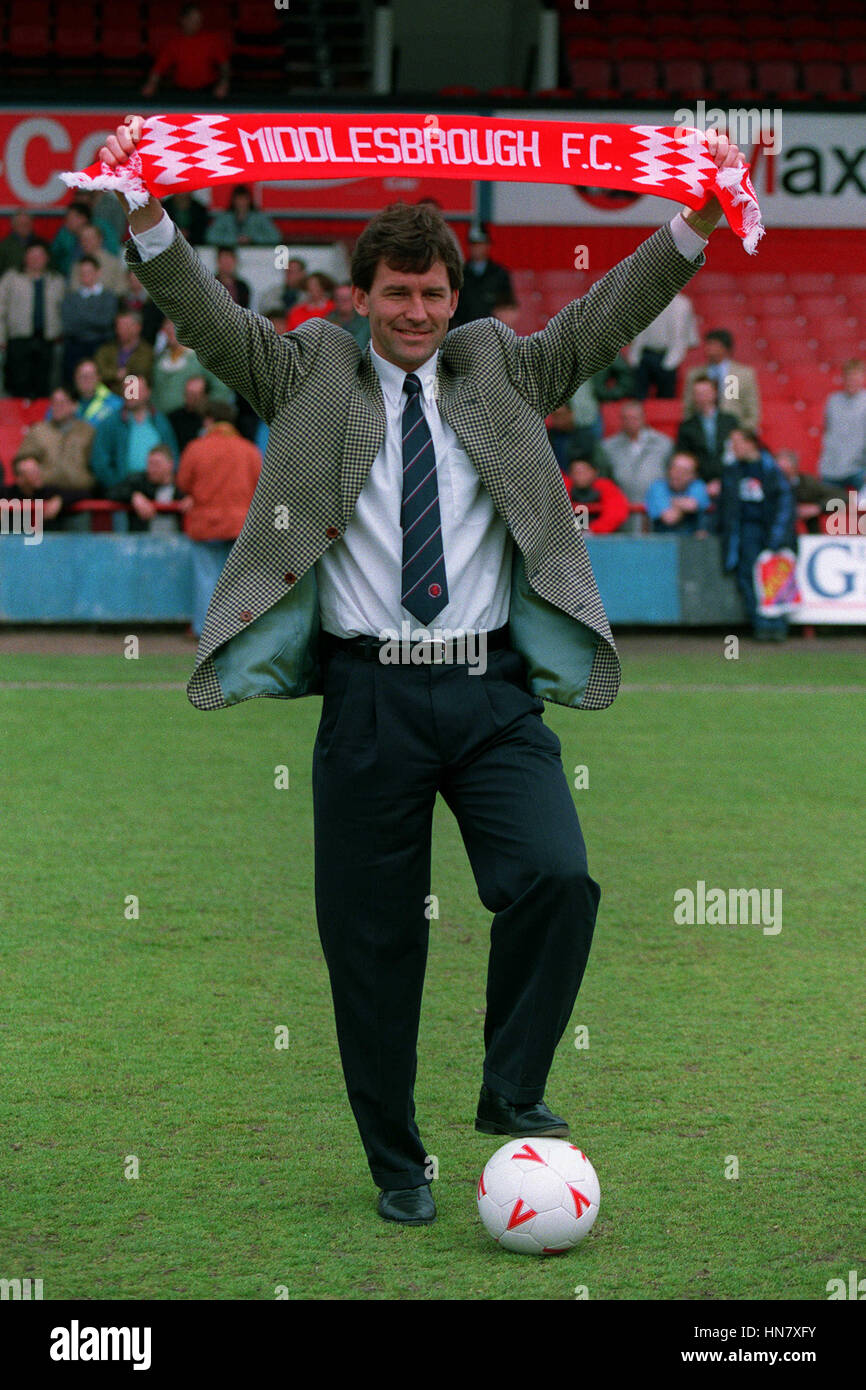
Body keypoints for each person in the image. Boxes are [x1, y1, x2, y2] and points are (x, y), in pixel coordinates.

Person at [101, 113, 742, 1225]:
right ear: (364, 296)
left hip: (489, 692)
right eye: (396, 293)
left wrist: (695, 221)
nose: (415, 312)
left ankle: (511, 1089)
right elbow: (200, 317)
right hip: (367, 700)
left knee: (556, 878)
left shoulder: (500, 362)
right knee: (373, 943)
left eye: (433, 295)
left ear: (455, 298)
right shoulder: (301, 368)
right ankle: (397, 1163)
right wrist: (148, 215)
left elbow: (605, 314)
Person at [175, 400, 262, 637]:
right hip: (240, 525)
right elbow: (259, 486)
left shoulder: (196, 447)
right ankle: (238, 629)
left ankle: (204, 631)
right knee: (239, 581)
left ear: (209, 420)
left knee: (206, 579)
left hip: (206, 525)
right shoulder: (249, 449)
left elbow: (183, 482)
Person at [719, 427, 796, 641]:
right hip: (745, 531)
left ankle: (777, 626)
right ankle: (761, 625)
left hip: (768, 529)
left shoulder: (771, 469)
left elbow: (784, 504)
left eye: (737, 442)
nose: (733, 448)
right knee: (748, 577)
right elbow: (725, 507)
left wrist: (777, 536)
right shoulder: (733, 470)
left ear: (751, 443)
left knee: (774, 577)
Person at [90, 375, 178, 491]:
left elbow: (173, 455)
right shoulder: (110, 423)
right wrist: (121, 489)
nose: (130, 393)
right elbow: (100, 462)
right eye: (127, 389)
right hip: (122, 495)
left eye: (135, 389)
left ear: (148, 392)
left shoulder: (160, 421)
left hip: (158, 490)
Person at [0, 241, 65, 398]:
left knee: (44, 385)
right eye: (32, 255)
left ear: (47, 258)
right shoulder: (11, 278)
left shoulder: (57, 280)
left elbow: (64, 310)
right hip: (18, 339)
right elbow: (1, 308)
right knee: (18, 384)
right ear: (25, 257)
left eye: (40, 255)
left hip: (47, 340)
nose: (36, 259)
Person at [599, 399, 672, 529]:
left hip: (657, 512)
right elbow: (604, 481)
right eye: (626, 418)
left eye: (634, 418)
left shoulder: (664, 443)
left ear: (644, 418)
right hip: (622, 512)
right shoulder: (608, 447)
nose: (630, 422)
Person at [141, 3, 230, 100]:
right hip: (180, 92)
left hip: (208, 91)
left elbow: (224, 66)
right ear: (182, 20)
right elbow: (158, 69)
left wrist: (223, 84)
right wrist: (151, 85)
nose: (196, 23)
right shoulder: (173, 43)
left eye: (198, 20)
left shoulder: (212, 40)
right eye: (192, 20)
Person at [682, 329, 761, 431]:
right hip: (703, 431)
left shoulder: (743, 374)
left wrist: (743, 433)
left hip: (735, 430)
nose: (708, 349)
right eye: (707, 345)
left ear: (725, 348)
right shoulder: (694, 374)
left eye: (714, 345)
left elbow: (752, 408)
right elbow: (688, 407)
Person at [151, 318, 233, 415]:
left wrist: (205, 407)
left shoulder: (200, 356)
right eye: (166, 326)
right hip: (162, 422)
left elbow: (221, 389)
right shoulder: (160, 359)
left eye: (174, 326)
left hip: (191, 418)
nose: (170, 330)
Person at [19, 386, 95, 490]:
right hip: (44, 488)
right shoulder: (38, 430)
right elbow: (22, 458)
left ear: (74, 406)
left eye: (62, 403)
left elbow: (97, 464)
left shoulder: (88, 432)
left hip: (79, 491)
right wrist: (26, 465)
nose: (57, 407)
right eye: (54, 403)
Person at [676, 373, 739, 497]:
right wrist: (703, 483)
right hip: (697, 484)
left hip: (729, 479)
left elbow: (737, 453)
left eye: (705, 392)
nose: (701, 397)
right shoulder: (686, 427)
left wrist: (722, 481)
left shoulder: (730, 422)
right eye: (697, 393)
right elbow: (684, 456)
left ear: (714, 393)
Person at [60, 255, 119, 386]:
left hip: (102, 346)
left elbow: (106, 322)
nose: (85, 275)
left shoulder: (109, 297)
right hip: (75, 348)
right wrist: (94, 319)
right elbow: (68, 326)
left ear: (98, 272)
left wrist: (81, 317)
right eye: (82, 273)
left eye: (89, 272)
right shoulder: (70, 298)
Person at [103, 443, 187, 535]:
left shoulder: (182, 485)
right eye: (150, 464)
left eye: (157, 464)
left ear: (170, 464)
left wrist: (192, 499)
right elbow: (112, 492)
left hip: (177, 542)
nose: (152, 469)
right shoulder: (139, 482)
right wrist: (133, 496)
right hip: (143, 543)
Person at [628, 291, 699, 399]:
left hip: (669, 356)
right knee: (637, 398)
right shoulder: (639, 301)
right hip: (643, 355)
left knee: (666, 399)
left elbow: (690, 339)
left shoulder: (683, 303)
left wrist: (675, 357)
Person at [1, 452, 92, 529]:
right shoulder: (7, 493)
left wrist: (60, 500)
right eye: (32, 473)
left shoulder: (48, 493)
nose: (37, 475)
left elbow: (84, 493)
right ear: (20, 478)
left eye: (37, 471)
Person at [450, 223, 514, 326]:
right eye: (474, 244)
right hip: (464, 331)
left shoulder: (500, 274)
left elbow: (507, 306)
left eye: (480, 244)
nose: (477, 248)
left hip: (492, 332)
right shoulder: (460, 273)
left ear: (488, 245)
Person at [817, 359, 866, 492]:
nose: (853, 382)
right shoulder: (833, 400)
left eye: (856, 378)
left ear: (863, 378)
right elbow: (828, 431)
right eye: (849, 377)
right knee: (830, 506)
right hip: (832, 467)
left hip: (860, 468)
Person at [775, 448, 848, 534]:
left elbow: (843, 496)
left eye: (785, 471)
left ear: (794, 469)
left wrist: (818, 507)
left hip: (809, 535)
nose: (782, 475)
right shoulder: (769, 485)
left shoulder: (807, 484)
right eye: (778, 471)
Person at [644, 451, 711, 534]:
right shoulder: (657, 487)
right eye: (675, 468)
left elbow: (692, 505)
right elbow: (669, 518)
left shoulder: (697, 485)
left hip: (692, 543)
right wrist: (683, 505)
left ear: (694, 475)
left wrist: (673, 502)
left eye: (684, 471)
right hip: (663, 542)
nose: (678, 474)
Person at [565, 452, 630, 533]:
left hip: (600, 539)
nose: (580, 476)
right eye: (576, 472)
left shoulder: (606, 488)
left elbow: (616, 513)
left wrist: (593, 530)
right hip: (569, 537)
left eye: (584, 471)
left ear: (595, 472)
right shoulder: (564, 488)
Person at [94, 311, 154, 394]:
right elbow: (99, 371)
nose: (120, 329)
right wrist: (116, 374)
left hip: (134, 395)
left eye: (125, 326)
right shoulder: (106, 349)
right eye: (118, 326)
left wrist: (114, 374)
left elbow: (141, 371)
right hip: (108, 398)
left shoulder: (147, 351)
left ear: (138, 327)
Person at [205, 186, 280, 247]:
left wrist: (252, 239)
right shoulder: (225, 218)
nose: (241, 203)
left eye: (244, 199)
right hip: (231, 254)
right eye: (239, 199)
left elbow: (275, 237)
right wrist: (234, 239)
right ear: (233, 201)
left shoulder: (259, 217)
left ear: (249, 200)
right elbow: (210, 236)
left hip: (256, 253)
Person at [73, 358, 123, 428]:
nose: (86, 380)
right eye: (82, 376)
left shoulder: (116, 404)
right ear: (75, 379)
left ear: (99, 378)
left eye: (91, 376)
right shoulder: (67, 403)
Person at [326, 282, 371, 349]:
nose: (341, 303)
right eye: (338, 299)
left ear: (354, 300)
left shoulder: (366, 322)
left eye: (345, 300)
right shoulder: (327, 322)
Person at [0, 211, 36, 277]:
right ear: (13, 225)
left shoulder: (41, 244)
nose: (24, 227)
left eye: (27, 224)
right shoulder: (4, 246)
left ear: (32, 224)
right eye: (21, 224)